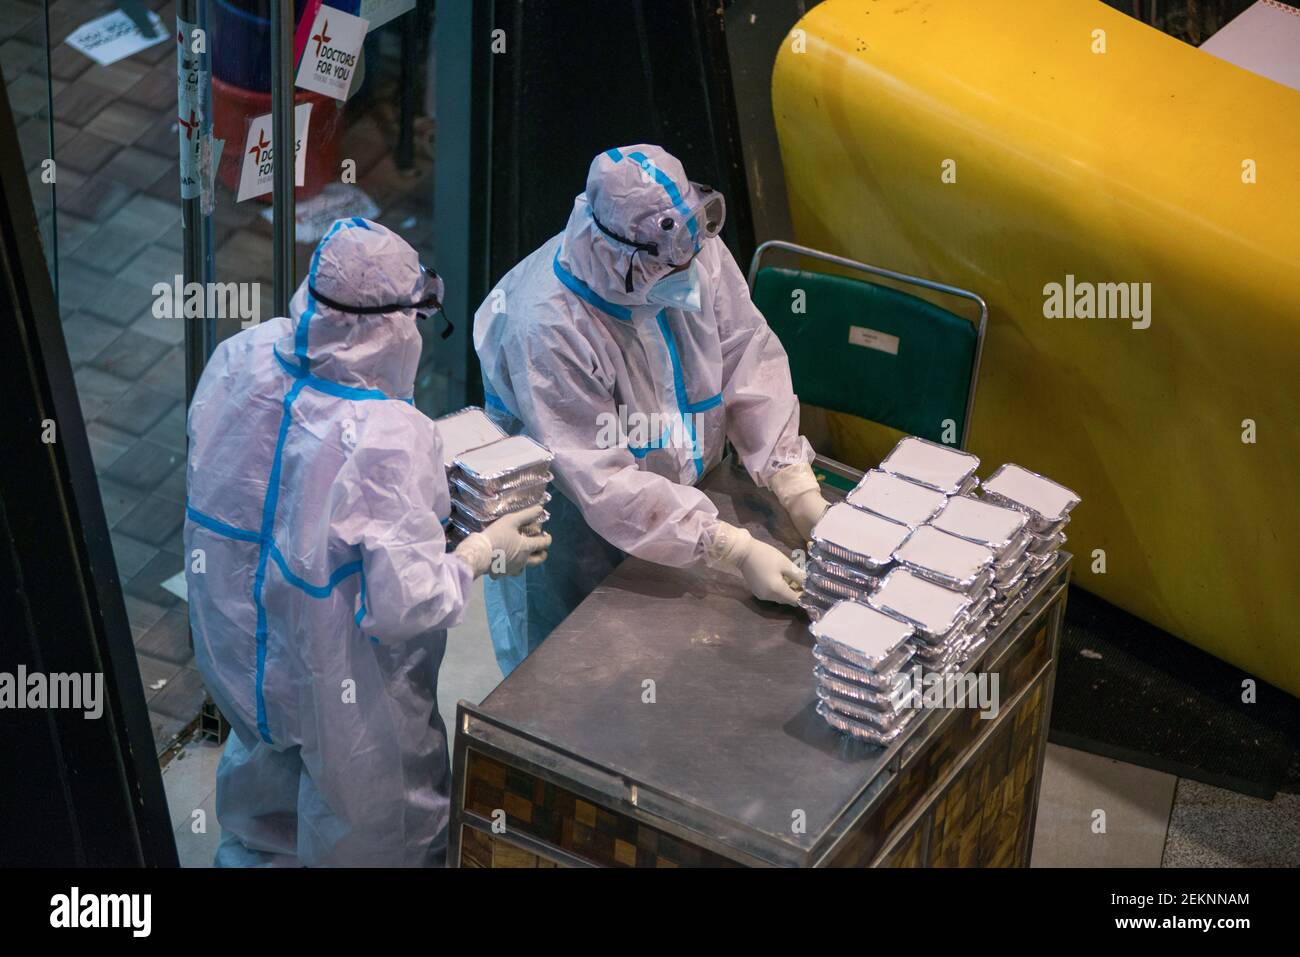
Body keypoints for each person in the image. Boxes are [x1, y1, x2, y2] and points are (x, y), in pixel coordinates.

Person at [185, 218, 549, 867]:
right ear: (392, 322)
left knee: (260, 826)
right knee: (377, 838)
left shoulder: (240, 358)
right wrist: (481, 549)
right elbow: (403, 605)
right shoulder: (389, 436)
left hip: (247, 661)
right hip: (348, 688)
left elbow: (252, 490)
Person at [473, 145, 829, 676]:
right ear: (621, 254)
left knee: (685, 675)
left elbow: (744, 353)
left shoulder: (687, 245)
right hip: (575, 530)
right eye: (669, 264)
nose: (689, 268)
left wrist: (794, 481)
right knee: (578, 688)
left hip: (689, 494)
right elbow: (602, 483)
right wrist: (729, 546)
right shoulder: (549, 325)